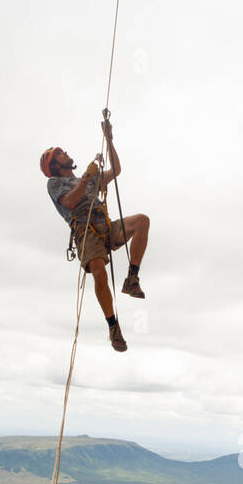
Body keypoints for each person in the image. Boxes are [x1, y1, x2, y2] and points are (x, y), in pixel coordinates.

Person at [40, 118, 149, 353]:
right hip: (85, 231)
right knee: (99, 272)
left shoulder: (84, 179)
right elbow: (69, 202)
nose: (65, 153)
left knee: (142, 221)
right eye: (60, 154)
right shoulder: (55, 183)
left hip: (105, 225)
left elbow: (116, 170)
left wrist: (109, 139)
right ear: (55, 165)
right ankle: (113, 326)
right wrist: (88, 178)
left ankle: (132, 279)